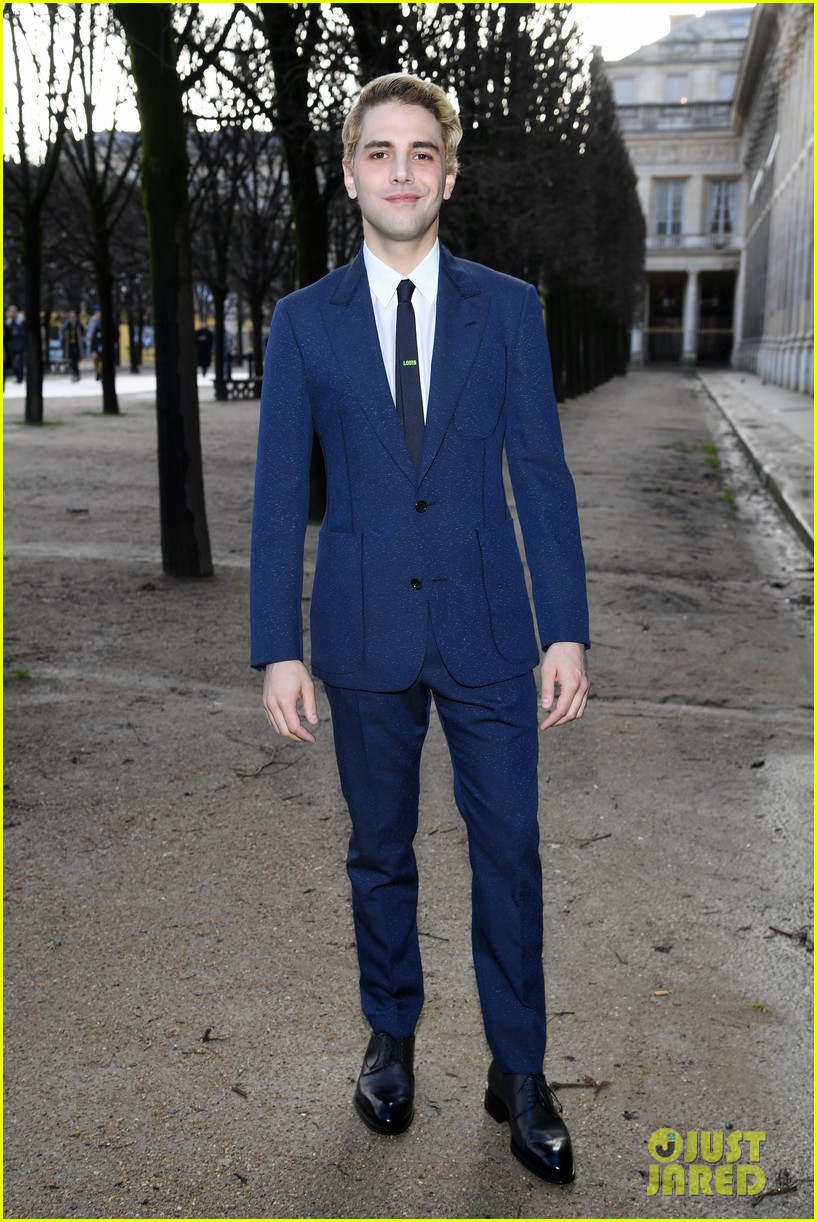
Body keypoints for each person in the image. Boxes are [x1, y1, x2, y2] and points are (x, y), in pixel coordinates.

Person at [250, 74, 589, 1185]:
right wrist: (279, 646)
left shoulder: (509, 309)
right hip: (357, 634)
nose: (403, 172)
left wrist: (566, 630)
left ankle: (521, 1070)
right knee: (377, 852)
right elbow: (272, 496)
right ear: (350, 171)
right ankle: (389, 1039)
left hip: (490, 627)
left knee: (509, 856)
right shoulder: (303, 324)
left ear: (449, 172)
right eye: (381, 153)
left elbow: (538, 475)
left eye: (423, 154)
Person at [59, 310, 85, 382]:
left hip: (76, 345)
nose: (72, 318)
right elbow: (62, 332)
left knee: (75, 361)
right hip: (69, 346)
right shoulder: (67, 324)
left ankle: (76, 374)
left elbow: (82, 333)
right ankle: (74, 373)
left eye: (73, 316)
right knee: (72, 361)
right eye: (71, 316)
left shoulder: (78, 324)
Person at [4, 305, 26, 383]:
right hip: (11, 346)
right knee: (14, 363)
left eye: (12, 312)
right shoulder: (8, 322)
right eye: (10, 312)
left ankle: (20, 378)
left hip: (19, 346)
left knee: (19, 363)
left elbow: (25, 332)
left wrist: (17, 333)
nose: (11, 313)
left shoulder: (21, 321)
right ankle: (18, 376)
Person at [86, 305, 102, 380]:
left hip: (100, 343)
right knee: (95, 359)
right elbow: (89, 332)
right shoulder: (92, 321)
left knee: (100, 359)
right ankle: (98, 372)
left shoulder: (101, 321)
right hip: (94, 343)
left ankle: (100, 373)